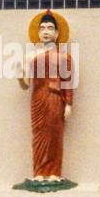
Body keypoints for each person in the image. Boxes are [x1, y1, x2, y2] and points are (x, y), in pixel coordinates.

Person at [19, 12, 73, 181]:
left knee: (55, 135)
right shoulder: (30, 57)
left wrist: (69, 104)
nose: (45, 31)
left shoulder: (65, 57)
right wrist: (20, 74)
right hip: (38, 99)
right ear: (37, 33)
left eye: (50, 28)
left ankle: (55, 173)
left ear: (57, 34)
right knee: (39, 135)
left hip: (56, 98)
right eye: (42, 28)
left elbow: (68, 82)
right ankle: (39, 173)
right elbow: (25, 85)